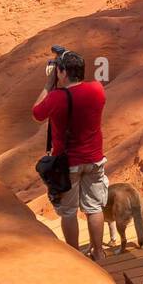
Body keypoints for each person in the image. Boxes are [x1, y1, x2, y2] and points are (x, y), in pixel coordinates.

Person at [32, 49, 108, 261]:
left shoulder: (56, 97)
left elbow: (37, 112)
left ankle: (76, 257)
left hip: (68, 164)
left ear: (62, 72)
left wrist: (49, 83)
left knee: (69, 212)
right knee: (94, 208)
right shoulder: (97, 89)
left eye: (58, 70)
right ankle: (99, 252)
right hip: (94, 159)